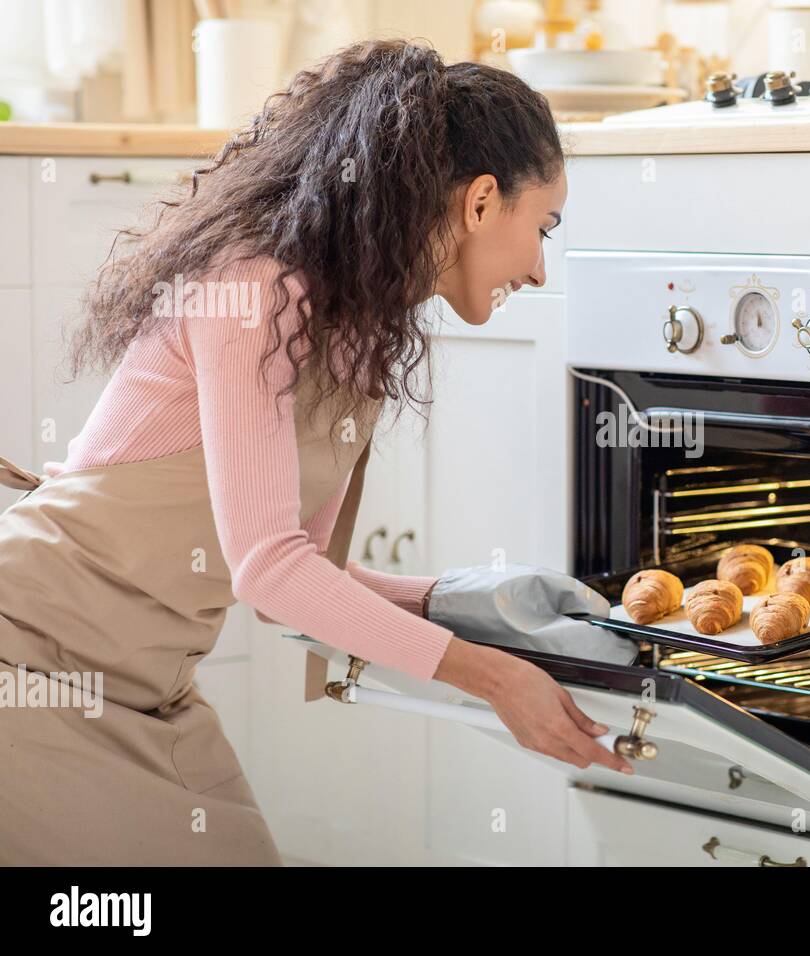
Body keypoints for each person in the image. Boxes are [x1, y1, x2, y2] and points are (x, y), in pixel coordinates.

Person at [0, 39, 632, 867]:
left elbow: (290, 578)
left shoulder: (362, 333)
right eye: (542, 228)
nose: (542, 269)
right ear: (481, 202)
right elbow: (269, 570)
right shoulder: (256, 289)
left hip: (148, 689)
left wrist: (467, 600)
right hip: (34, 666)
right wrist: (491, 676)